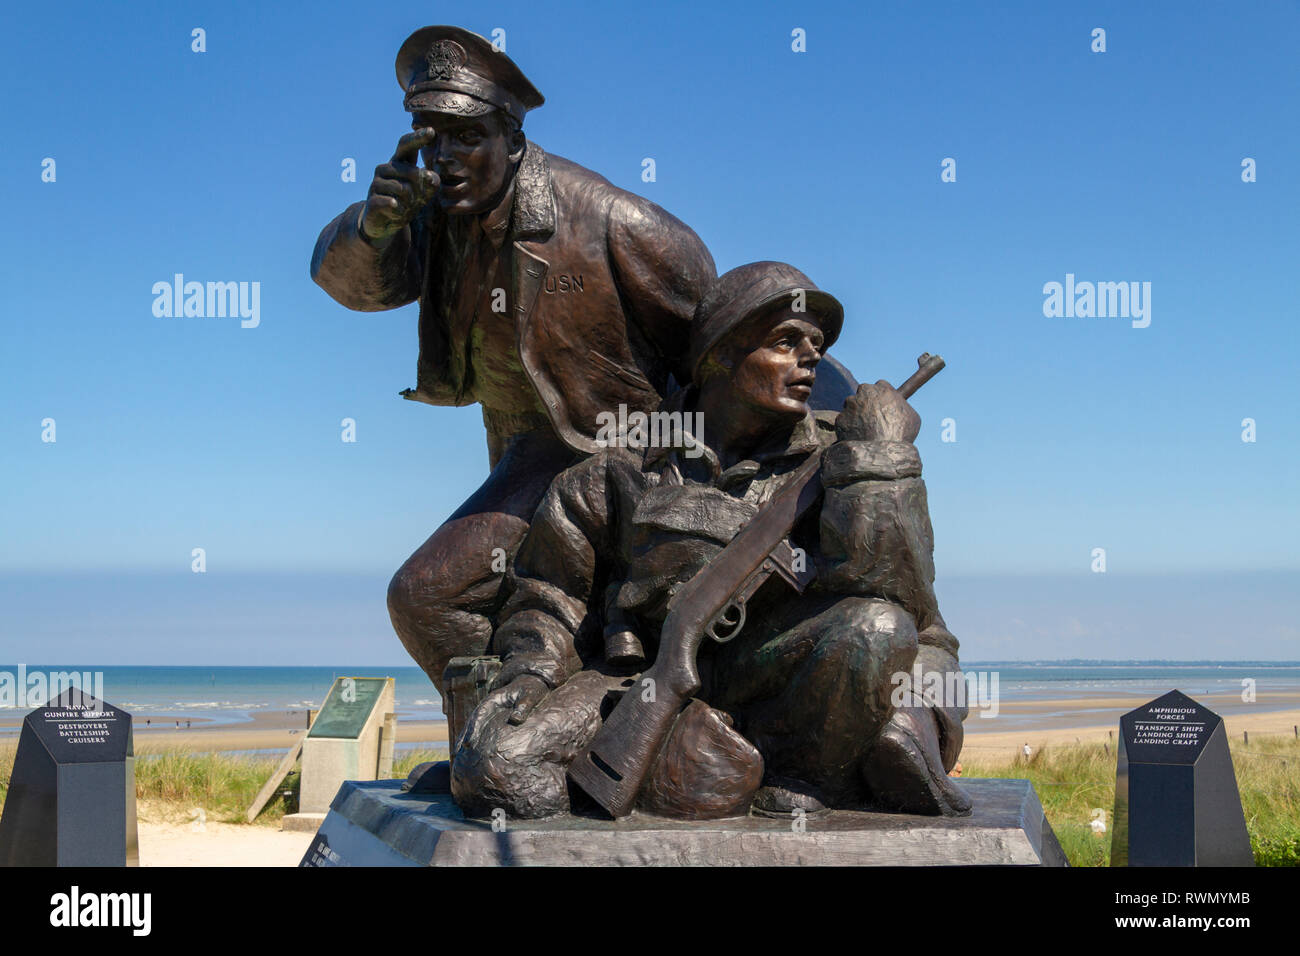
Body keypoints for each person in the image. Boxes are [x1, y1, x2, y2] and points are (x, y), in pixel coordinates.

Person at [451, 261, 969, 819]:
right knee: (494, 771)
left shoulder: (839, 459)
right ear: (718, 353)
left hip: (792, 679)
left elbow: (895, 592)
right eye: (785, 341)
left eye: (816, 344)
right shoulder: (619, 469)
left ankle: (799, 779)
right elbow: (551, 601)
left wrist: (876, 460)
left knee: (876, 627)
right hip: (643, 678)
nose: (811, 357)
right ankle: (695, 767)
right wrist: (531, 673)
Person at [310, 26, 716, 694]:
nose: (444, 157)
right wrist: (373, 228)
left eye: (466, 136)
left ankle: (495, 748)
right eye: (429, 134)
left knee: (426, 595)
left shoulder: (616, 223)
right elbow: (351, 286)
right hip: (524, 455)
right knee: (482, 605)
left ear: (514, 140)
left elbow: (726, 346)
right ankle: (493, 758)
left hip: (622, 459)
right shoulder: (436, 213)